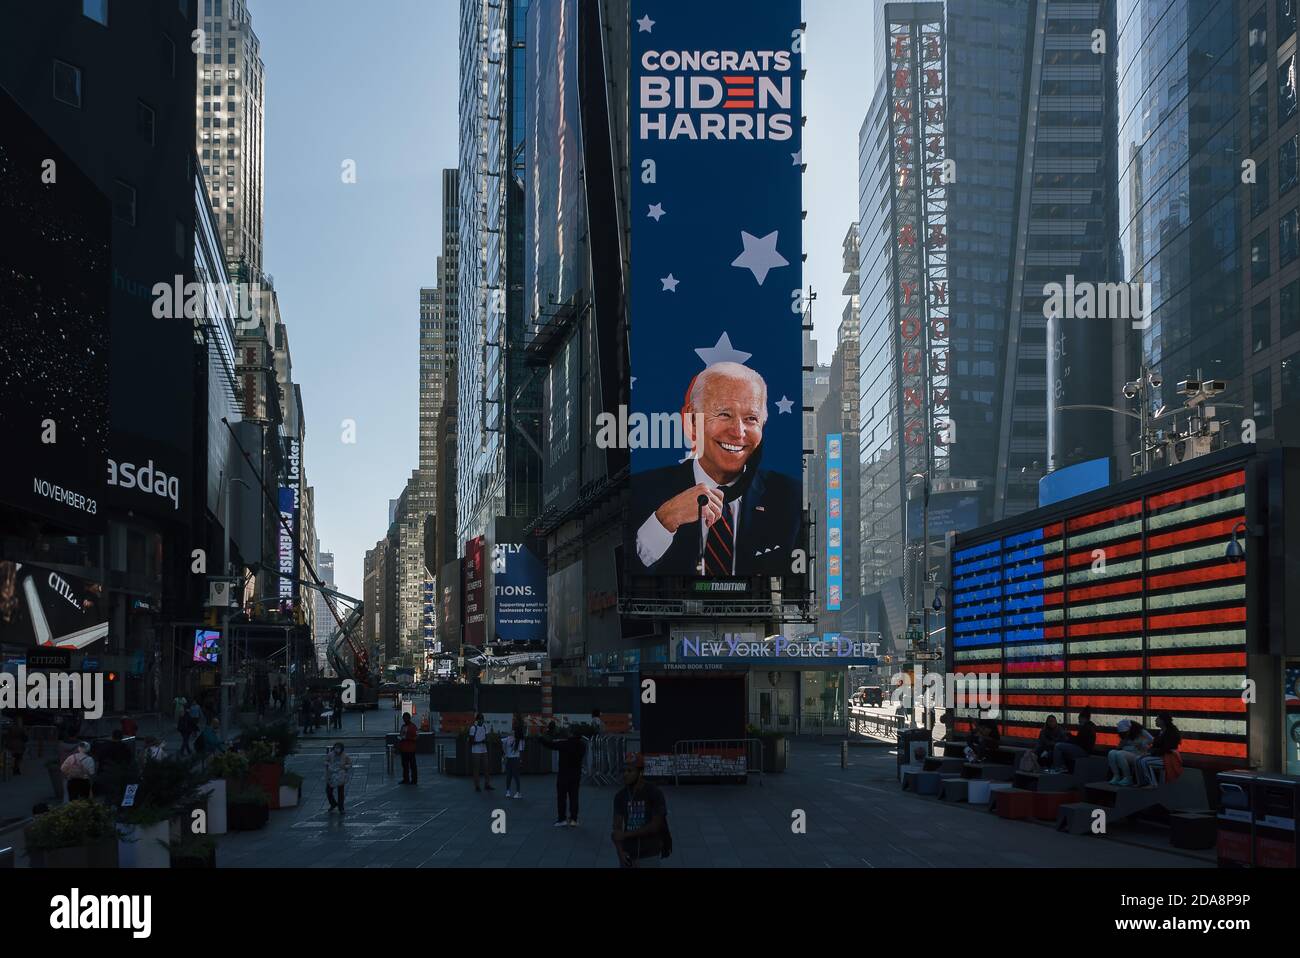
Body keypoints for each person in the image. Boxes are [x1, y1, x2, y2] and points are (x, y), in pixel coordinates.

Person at [629, 363, 802, 575]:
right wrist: (664, 521)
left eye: (751, 419)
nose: (738, 432)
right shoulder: (641, 490)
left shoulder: (790, 497)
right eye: (724, 414)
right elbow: (624, 573)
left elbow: (794, 583)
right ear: (692, 419)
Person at [612, 752, 668, 868]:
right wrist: (620, 852)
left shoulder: (654, 792)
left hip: (649, 853)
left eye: (630, 771)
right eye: (624, 771)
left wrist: (626, 835)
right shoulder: (620, 796)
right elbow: (617, 829)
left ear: (640, 772)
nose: (625, 774)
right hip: (628, 854)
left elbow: (655, 825)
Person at [541, 722, 586, 827]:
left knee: (562, 797)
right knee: (574, 796)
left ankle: (562, 819)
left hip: (564, 773)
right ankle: (574, 819)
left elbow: (550, 745)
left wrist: (541, 739)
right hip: (576, 774)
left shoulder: (564, 744)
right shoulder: (582, 745)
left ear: (571, 733)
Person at [1137, 714, 1183, 787]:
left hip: (1170, 757)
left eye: (1157, 719)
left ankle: (1152, 783)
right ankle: (1142, 782)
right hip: (1162, 755)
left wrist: (1151, 753)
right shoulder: (1161, 732)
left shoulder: (1171, 732)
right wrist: (1150, 751)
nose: (1155, 721)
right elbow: (1156, 745)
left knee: (1144, 761)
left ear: (1163, 721)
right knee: (1138, 759)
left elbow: (1166, 748)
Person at [1107, 718, 1153, 786]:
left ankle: (1128, 778)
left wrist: (1143, 743)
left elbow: (1152, 740)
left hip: (1138, 754)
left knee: (1120, 754)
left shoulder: (1141, 732)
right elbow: (1119, 748)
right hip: (1127, 753)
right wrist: (1121, 745)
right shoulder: (1125, 737)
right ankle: (1116, 776)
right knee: (1111, 753)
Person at [1051, 708, 1098, 772]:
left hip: (1083, 751)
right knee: (1062, 747)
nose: (1078, 721)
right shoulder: (1089, 727)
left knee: (1058, 746)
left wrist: (1069, 735)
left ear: (1083, 718)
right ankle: (1062, 767)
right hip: (1084, 750)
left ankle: (1058, 767)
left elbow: (1078, 741)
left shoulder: (1086, 728)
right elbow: (1079, 740)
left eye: (1079, 719)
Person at [325, 742, 353, 814]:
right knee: (329, 791)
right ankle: (333, 804)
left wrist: (344, 767)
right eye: (336, 748)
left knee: (340, 792)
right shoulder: (330, 754)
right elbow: (326, 761)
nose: (337, 750)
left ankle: (341, 807)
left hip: (341, 775)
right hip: (332, 775)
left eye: (339, 748)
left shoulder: (345, 756)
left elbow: (349, 764)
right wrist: (328, 765)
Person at [468, 713, 493, 792]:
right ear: (477, 720)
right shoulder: (473, 728)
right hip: (476, 750)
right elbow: (471, 741)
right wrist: (481, 742)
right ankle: (477, 786)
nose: (481, 721)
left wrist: (486, 740)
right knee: (476, 768)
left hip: (484, 749)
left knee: (486, 767)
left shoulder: (485, 727)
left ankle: (487, 784)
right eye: (480, 719)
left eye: (482, 719)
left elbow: (487, 737)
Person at [503, 725, 525, 799]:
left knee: (516, 776)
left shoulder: (520, 740)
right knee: (508, 776)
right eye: (512, 730)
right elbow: (501, 741)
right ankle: (508, 791)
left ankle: (518, 792)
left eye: (514, 730)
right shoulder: (508, 738)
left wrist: (521, 761)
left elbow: (521, 751)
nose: (512, 731)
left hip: (515, 759)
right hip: (509, 758)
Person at [397, 712, 418, 785]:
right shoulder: (403, 726)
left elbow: (416, 737)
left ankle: (414, 780)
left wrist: (407, 738)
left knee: (412, 765)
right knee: (405, 766)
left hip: (410, 749)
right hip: (404, 749)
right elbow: (401, 735)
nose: (404, 719)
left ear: (409, 718)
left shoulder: (413, 727)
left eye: (406, 718)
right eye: (404, 718)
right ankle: (406, 779)